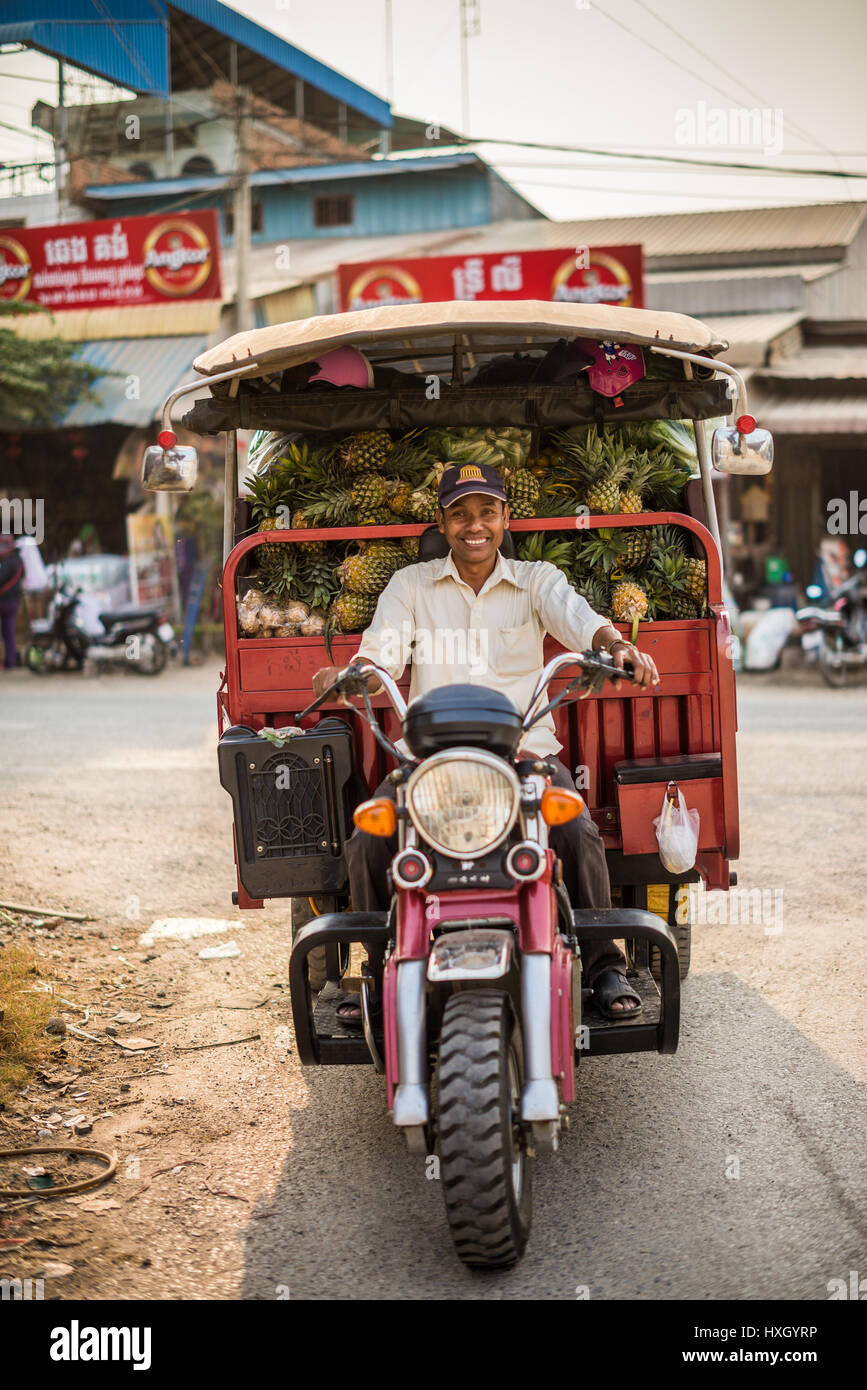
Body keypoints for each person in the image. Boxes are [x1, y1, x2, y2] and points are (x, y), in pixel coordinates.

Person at [312, 463, 661, 1022]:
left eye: (486, 512)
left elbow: (579, 619)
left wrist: (615, 644)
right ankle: (378, 971)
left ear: (504, 518)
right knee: (369, 835)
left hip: (521, 758)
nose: (474, 525)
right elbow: (383, 648)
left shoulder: (535, 579)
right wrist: (353, 672)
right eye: (460, 514)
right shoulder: (411, 585)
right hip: (431, 764)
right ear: (442, 522)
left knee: (575, 827)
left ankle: (602, 964)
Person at [0, 533, 24, 671]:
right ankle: (10, 661)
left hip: (4, 600)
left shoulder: (8, 562)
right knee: (9, 632)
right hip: (14, 601)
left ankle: (9, 661)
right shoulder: (19, 560)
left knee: (7, 632)